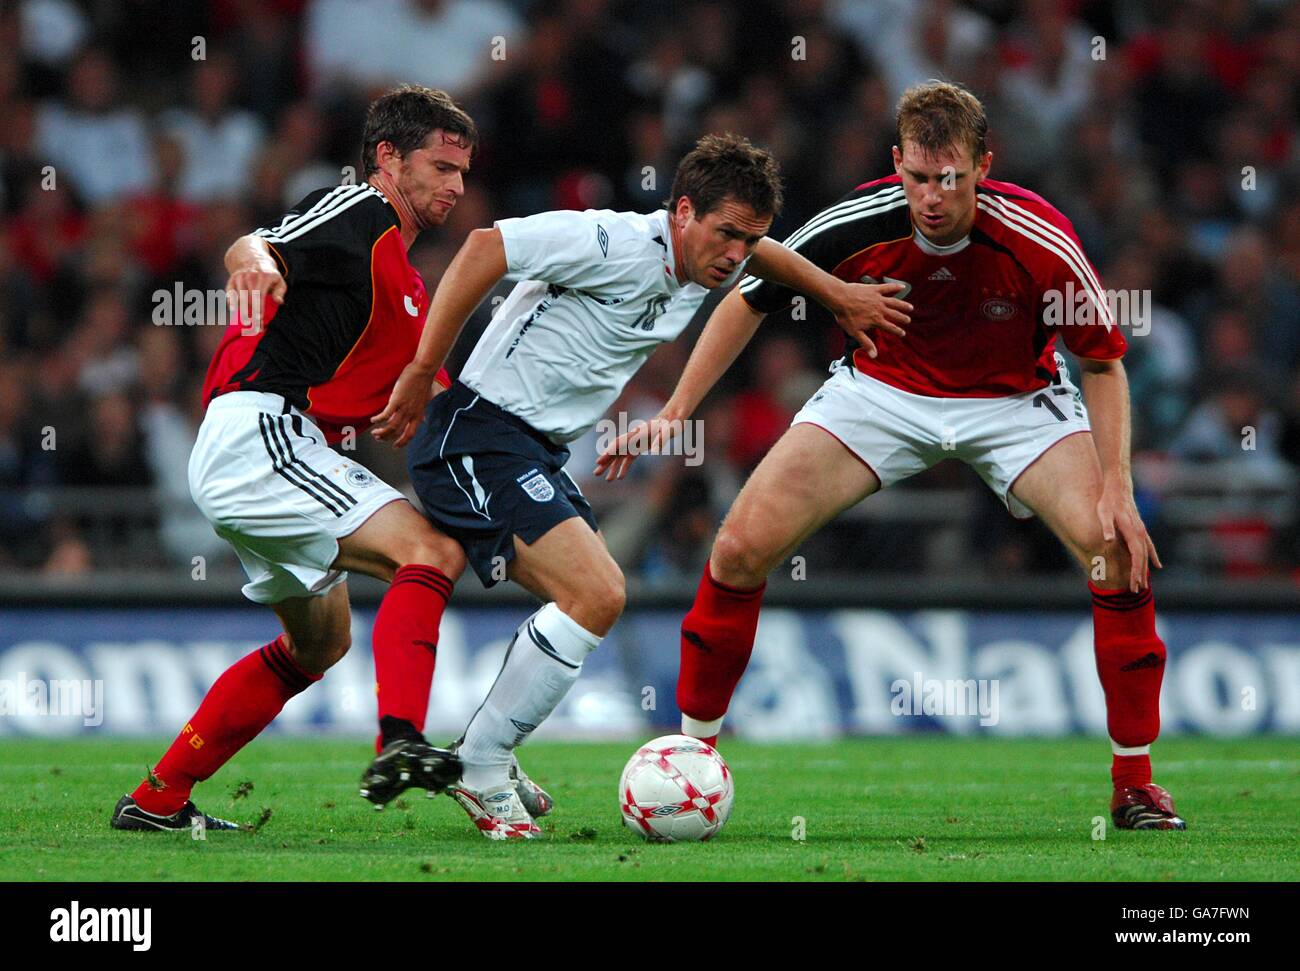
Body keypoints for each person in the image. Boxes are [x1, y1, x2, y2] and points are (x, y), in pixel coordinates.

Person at [598, 81, 1185, 832]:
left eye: (951, 179)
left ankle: (1134, 784)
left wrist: (1119, 488)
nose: (932, 197)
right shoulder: (863, 218)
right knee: (740, 546)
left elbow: (1102, 363)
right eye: (917, 176)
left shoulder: (1041, 238)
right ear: (896, 163)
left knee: (1115, 550)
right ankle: (694, 756)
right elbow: (751, 294)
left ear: (984, 166)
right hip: (882, 393)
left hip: (1015, 402)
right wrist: (678, 408)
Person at [370, 133, 907, 838]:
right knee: (597, 591)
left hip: (531, 450)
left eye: (748, 241)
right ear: (681, 211)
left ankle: (485, 753)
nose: (736, 255)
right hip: (476, 434)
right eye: (725, 235)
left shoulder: (707, 262)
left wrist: (835, 293)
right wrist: (420, 369)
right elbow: (481, 248)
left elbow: (765, 254)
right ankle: (482, 758)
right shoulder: (610, 240)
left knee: (590, 595)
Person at [111, 85, 481, 832]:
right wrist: (250, 260)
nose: (456, 186)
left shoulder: (406, 287)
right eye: (441, 166)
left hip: (266, 447)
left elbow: (443, 405)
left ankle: (157, 799)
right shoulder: (360, 210)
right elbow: (259, 242)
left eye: (463, 172)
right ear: (386, 158)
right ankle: (400, 739)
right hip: (262, 432)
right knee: (431, 552)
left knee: (320, 640)